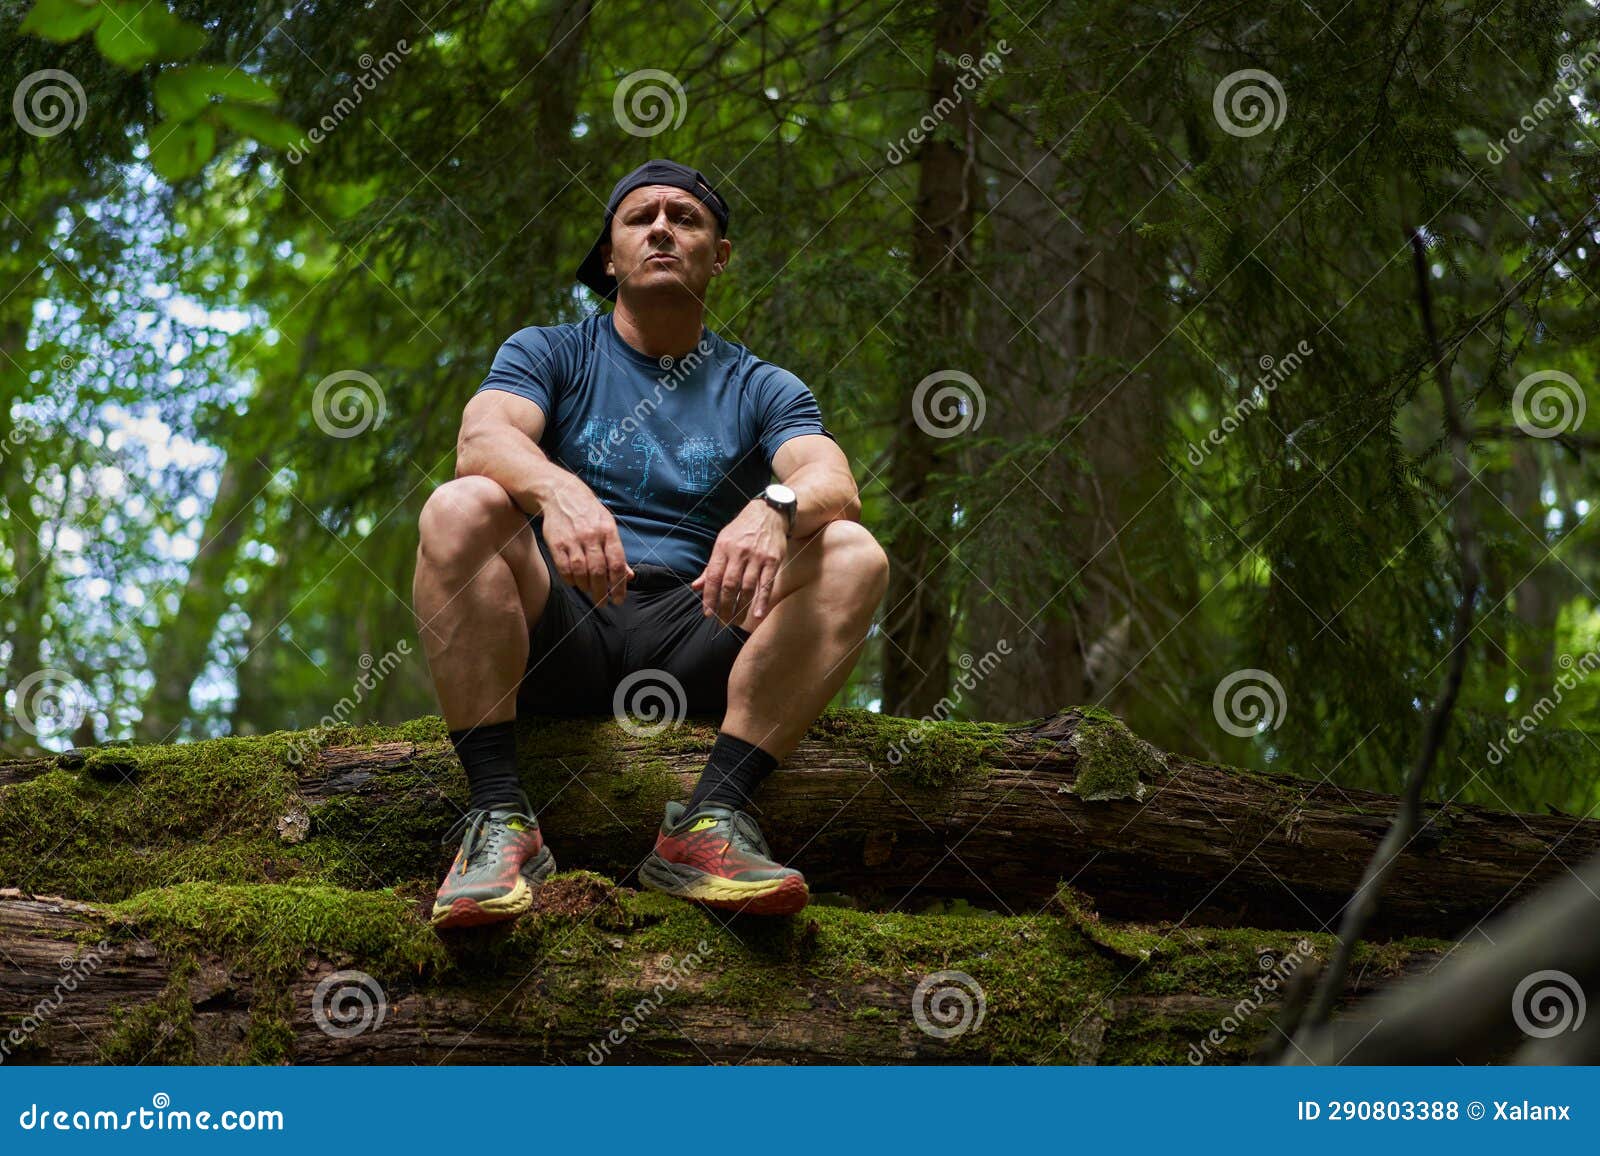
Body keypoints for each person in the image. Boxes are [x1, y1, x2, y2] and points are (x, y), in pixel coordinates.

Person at [413, 159, 889, 928]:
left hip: (701, 630)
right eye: (640, 218)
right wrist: (558, 489)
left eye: (687, 217)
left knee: (857, 553)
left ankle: (709, 826)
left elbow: (833, 478)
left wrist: (777, 504)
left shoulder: (762, 385)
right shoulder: (551, 353)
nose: (662, 227)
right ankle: (498, 818)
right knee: (459, 505)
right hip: (565, 625)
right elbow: (483, 438)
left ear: (720, 255)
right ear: (610, 256)